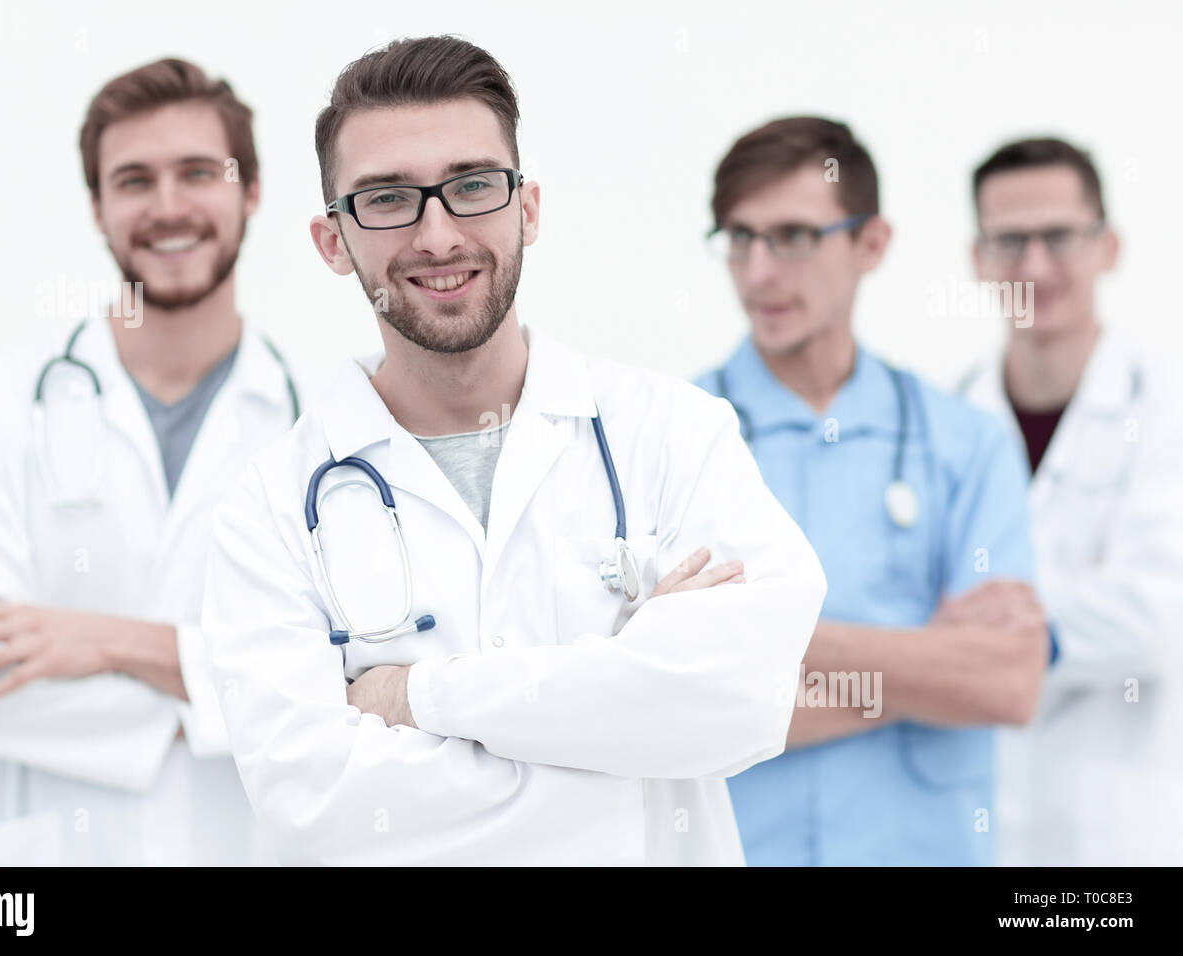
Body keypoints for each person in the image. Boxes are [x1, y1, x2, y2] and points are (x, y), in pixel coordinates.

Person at [199, 35, 827, 866]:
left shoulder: (672, 433)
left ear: (526, 208)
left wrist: (412, 695)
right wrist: (623, 722)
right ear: (331, 240)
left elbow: (741, 702)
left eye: (470, 186)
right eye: (387, 198)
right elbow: (316, 803)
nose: (436, 233)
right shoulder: (270, 505)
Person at [0, 58, 301, 865]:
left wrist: (108, 642)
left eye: (198, 172)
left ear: (252, 191)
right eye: (134, 180)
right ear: (97, 208)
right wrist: (217, 686)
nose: (168, 208)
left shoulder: (318, 436)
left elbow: (337, 689)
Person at [694, 117, 1048, 865]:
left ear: (872, 243)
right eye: (740, 238)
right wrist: (931, 664)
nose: (759, 272)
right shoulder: (677, 438)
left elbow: (1009, 682)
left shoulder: (967, 442)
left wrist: (764, 640)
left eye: (792, 236)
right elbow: (681, 702)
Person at [961, 137, 1183, 865]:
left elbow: (1155, 619)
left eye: (1058, 236)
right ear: (977, 259)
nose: (1033, 267)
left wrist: (992, 630)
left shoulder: (1164, 412)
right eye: (1009, 242)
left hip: (1115, 839)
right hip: (972, 825)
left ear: (1108, 247)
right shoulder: (946, 424)